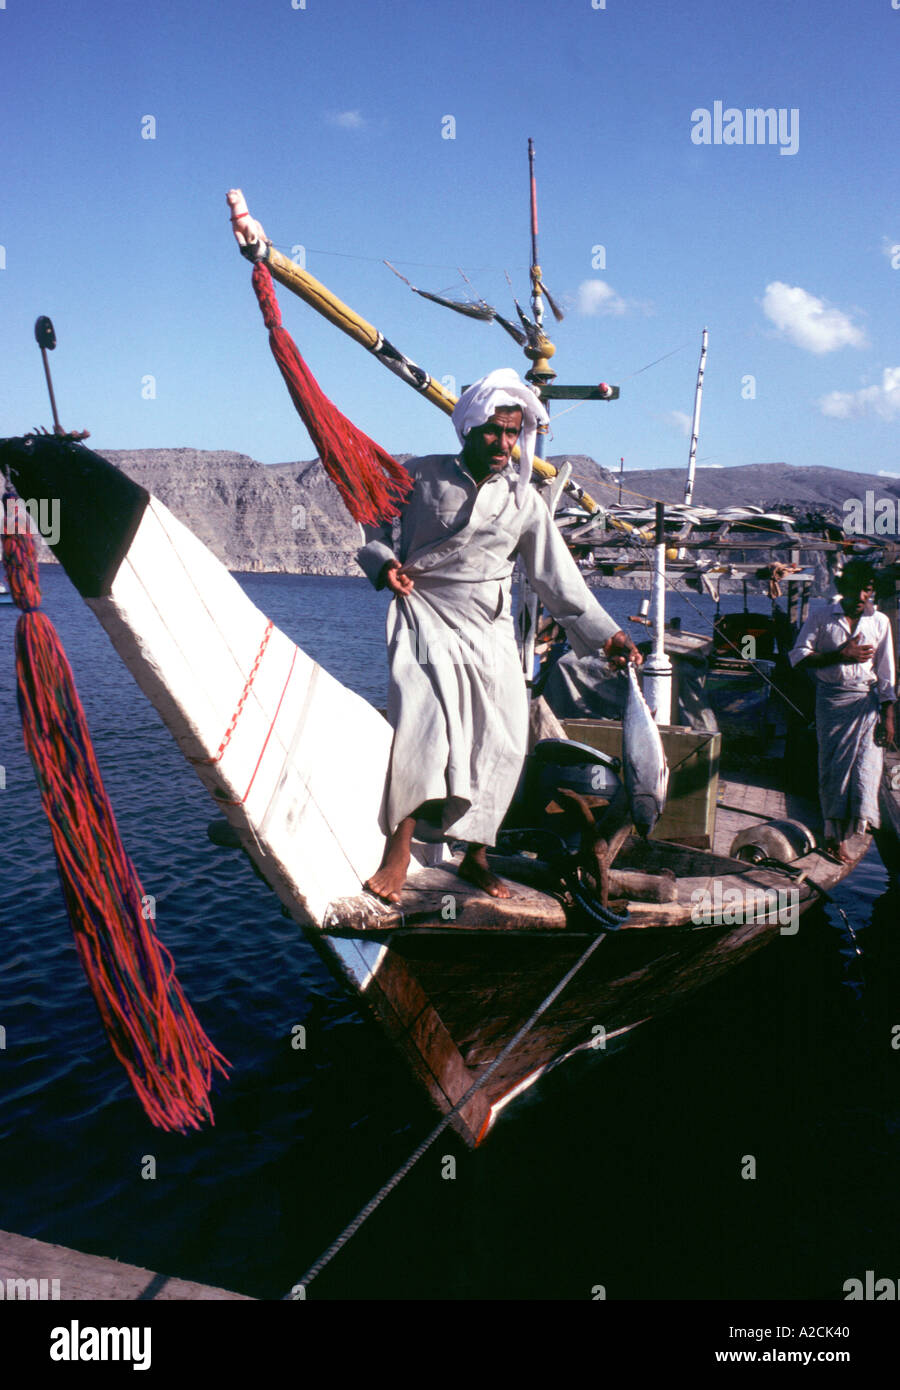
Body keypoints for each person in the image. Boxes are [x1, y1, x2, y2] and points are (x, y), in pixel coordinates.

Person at [357, 367, 641, 902]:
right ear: (468, 430)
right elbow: (374, 521)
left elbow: (557, 577)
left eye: (513, 433)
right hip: (425, 611)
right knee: (425, 724)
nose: (504, 443)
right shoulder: (418, 476)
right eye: (494, 431)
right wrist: (384, 562)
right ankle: (399, 847)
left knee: (505, 738)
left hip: (489, 628)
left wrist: (606, 635)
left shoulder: (525, 501)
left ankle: (475, 856)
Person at [788, 559, 896, 863]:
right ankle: (832, 835)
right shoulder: (822, 617)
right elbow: (798, 656)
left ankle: (851, 833)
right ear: (842, 589)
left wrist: (888, 715)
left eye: (868, 591)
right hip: (831, 703)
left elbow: (886, 672)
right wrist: (840, 654)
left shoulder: (879, 622)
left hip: (865, 705)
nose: (862, 597)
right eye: (856, 590)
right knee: (834, 771)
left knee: (865, 770)